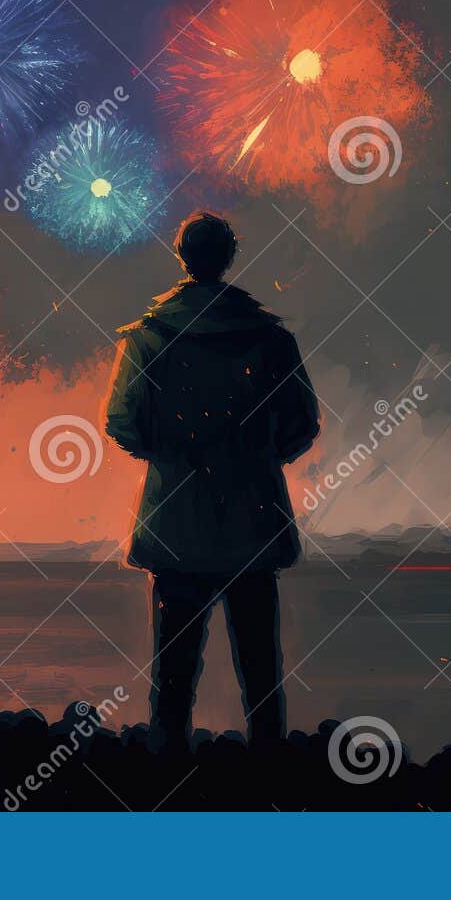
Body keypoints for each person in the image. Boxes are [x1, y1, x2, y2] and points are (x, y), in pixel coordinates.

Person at [104, 211, 319, 751]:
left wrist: (173, 457)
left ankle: (165, 766)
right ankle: (269, 766)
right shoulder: (271, 340)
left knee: (173, 670)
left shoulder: (149, 339)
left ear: (182, 257)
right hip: (254, 521)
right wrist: (254, 460)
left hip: (176, 521)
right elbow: (302, 424)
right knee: (260, 665)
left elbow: (122, 422)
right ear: (229, 257)